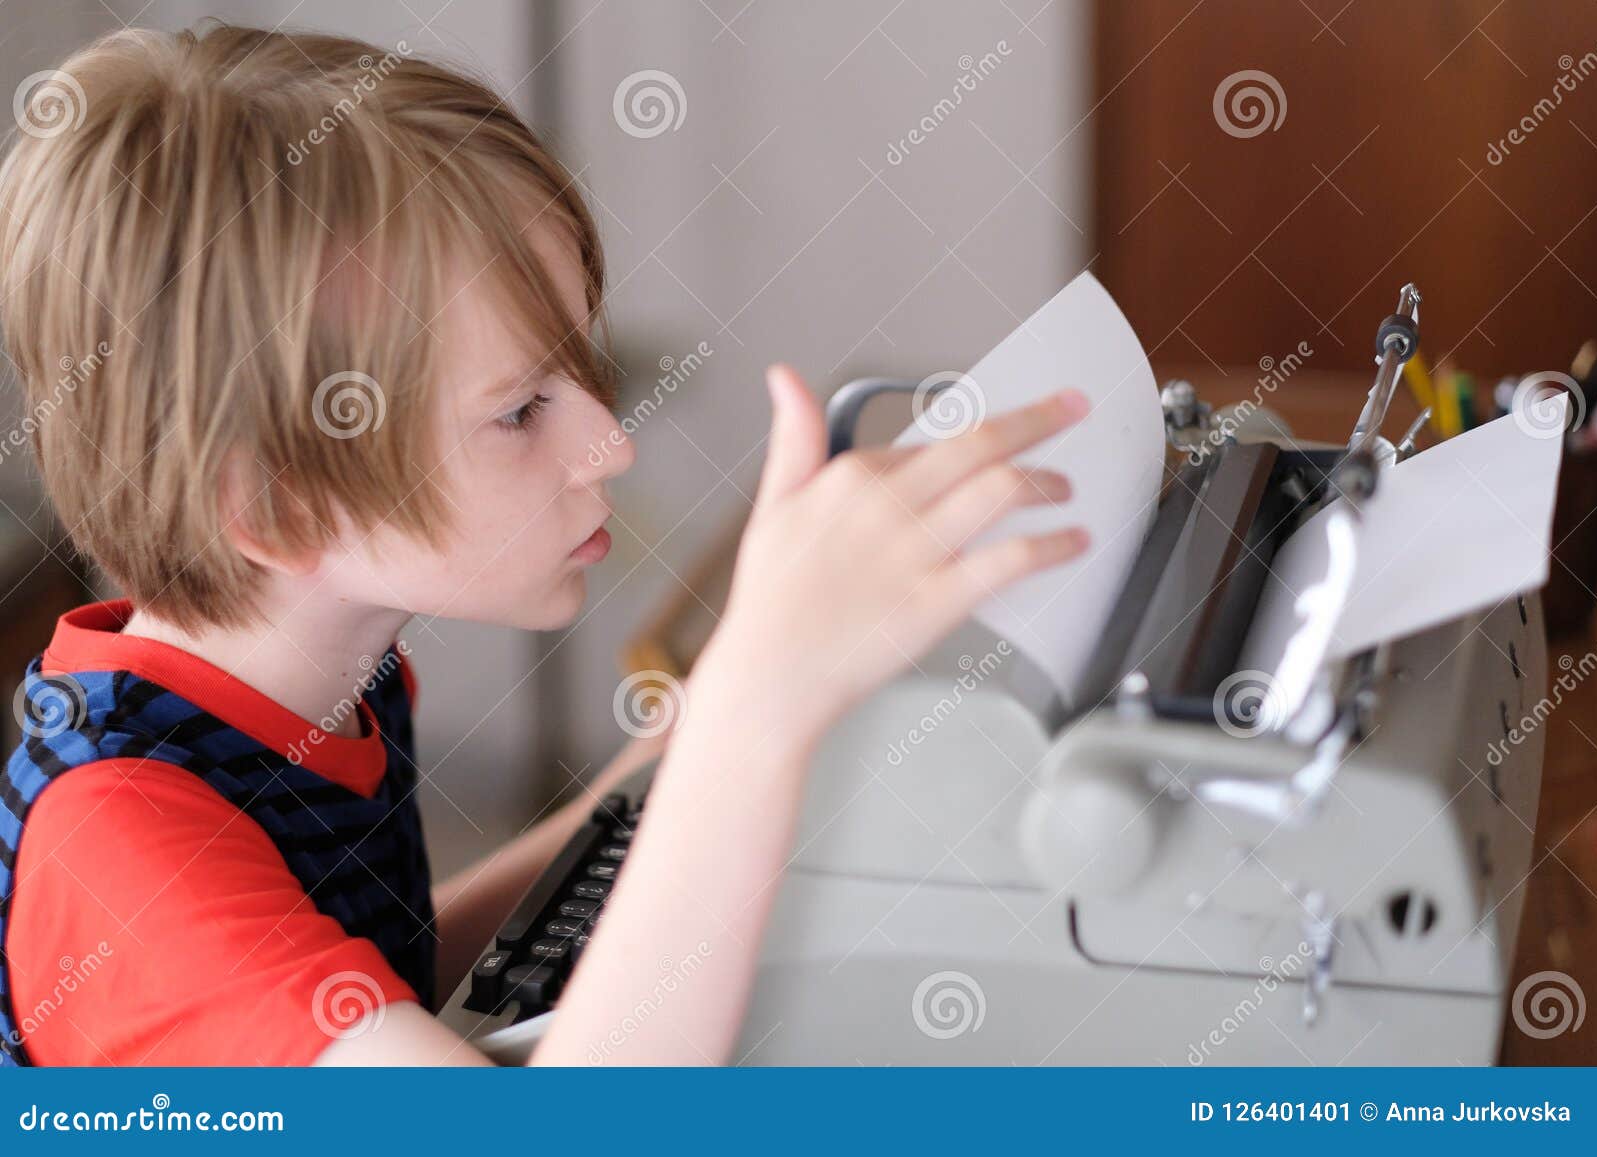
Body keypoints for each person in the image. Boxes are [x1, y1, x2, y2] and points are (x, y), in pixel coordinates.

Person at [0, 24, 1089, 1065]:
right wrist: (755, 717)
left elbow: (388, 974)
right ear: (282, 509)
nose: (608, 443)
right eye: (521, 409)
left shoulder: (330, 678)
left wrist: (693, 735)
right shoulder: (124, 854)